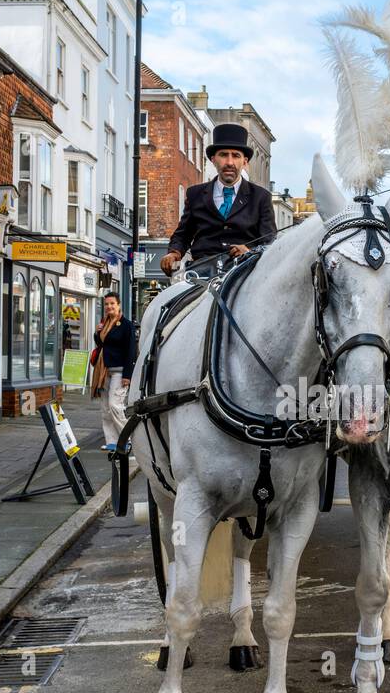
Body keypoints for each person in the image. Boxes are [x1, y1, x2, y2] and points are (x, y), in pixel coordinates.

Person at [159, 123, 277, 280]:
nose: (229, 162)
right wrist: (174, 253)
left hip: (244, 273)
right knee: (171, 303)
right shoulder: (195, 194)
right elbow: (183, 233)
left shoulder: (261, 197)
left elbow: (269, 241)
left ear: (245, 161)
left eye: (236, 156)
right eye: (223, 155)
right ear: (213, 159)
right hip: (201, 273)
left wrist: (250, 251)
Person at [92, 292, 137, 450]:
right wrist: (98, 333)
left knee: (115, 405)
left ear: (118, 305)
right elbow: (101, 345)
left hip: (119, 372)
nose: (109, 306)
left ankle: (128, 439)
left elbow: (131, 350)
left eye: (112, 303)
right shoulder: (104, 323)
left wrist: (127, 375)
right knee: (105, 409)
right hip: (104, 372)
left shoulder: (126, 325)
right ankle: (112, 441)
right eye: (106, 304)